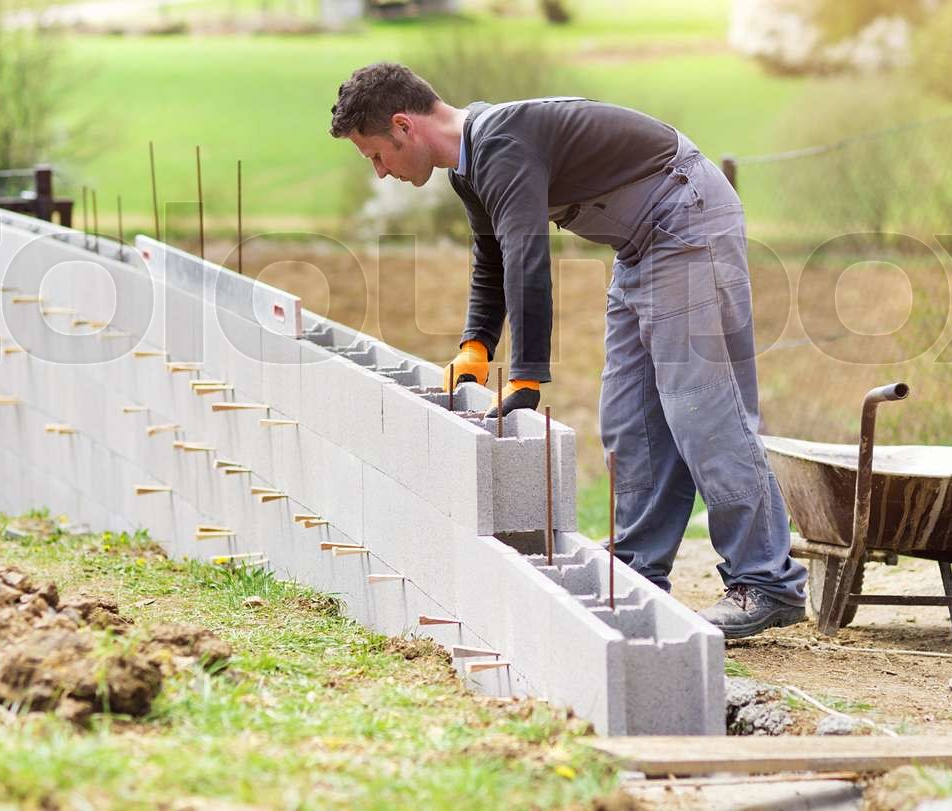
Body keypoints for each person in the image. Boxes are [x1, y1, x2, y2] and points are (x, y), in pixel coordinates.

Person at [327, 62, 807, 638]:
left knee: (701, 407)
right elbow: (494, 259)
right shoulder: (470, 168)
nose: (380, 172)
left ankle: (767, 581)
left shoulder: (501, 144)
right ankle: (636, 568)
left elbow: (529, 259)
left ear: (403, 126)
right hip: (640, 247)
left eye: (376, 155)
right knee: (631, 419)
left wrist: (528, 375)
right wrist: (476, 344)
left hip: (685, 219)